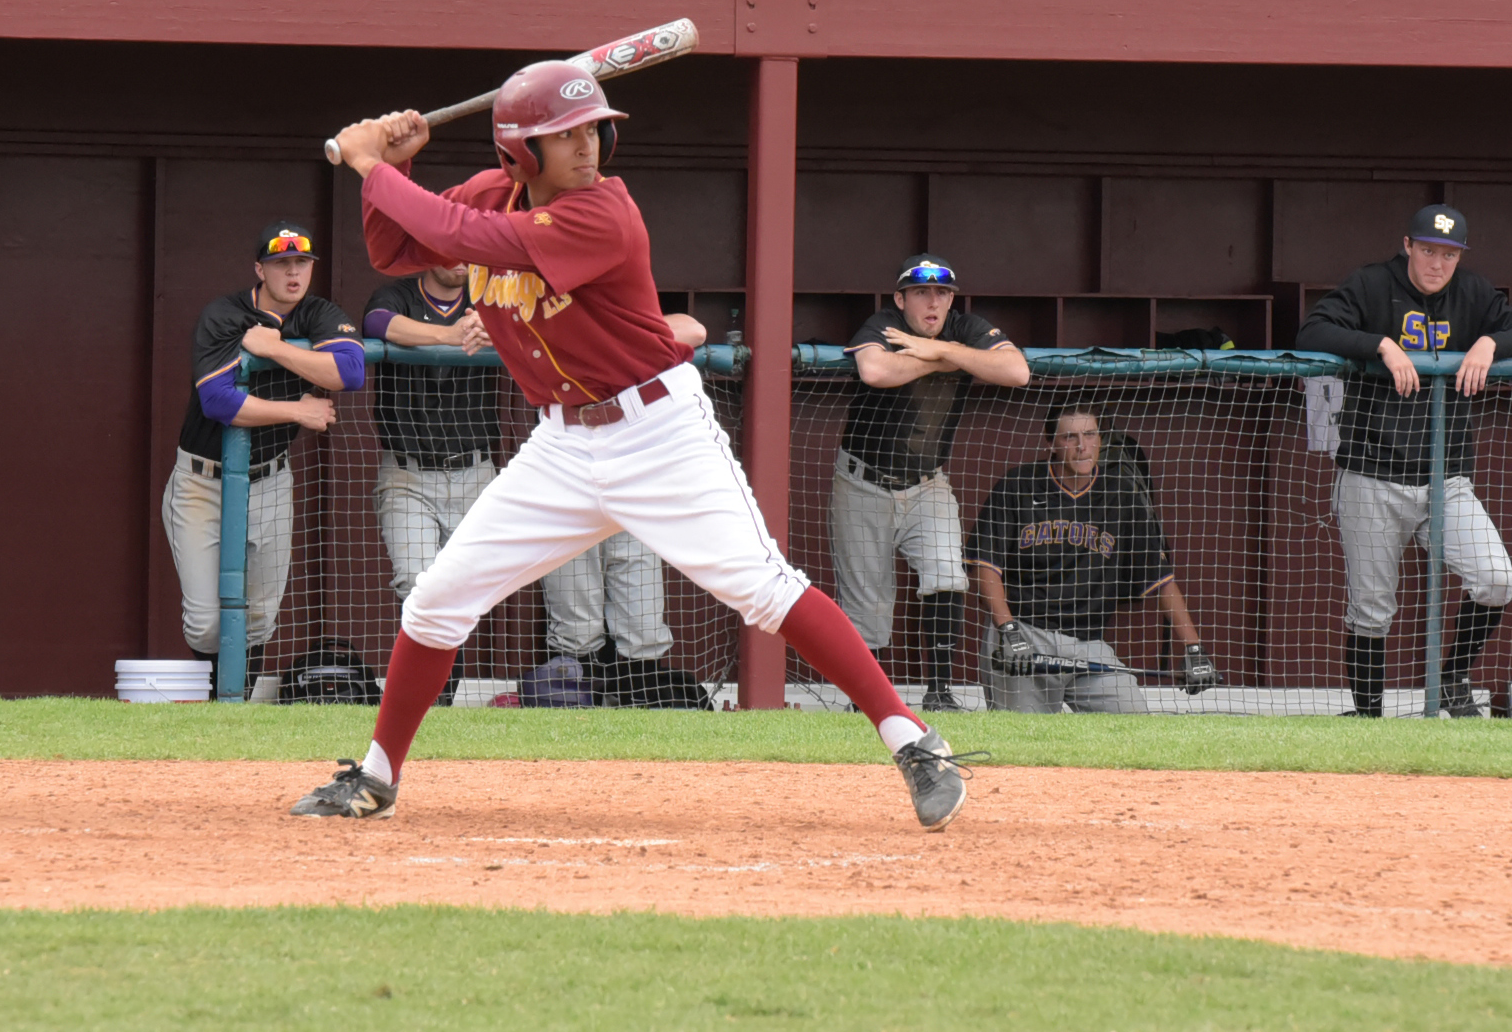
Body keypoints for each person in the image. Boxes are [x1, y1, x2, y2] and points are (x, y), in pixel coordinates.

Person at [290, 63, 978, 830]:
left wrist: (369, 164)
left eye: (593, 129)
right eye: (565, 135)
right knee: (436, 603)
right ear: (522, 151)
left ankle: (915, 740)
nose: (587, 146)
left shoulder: (604, 212)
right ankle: (378, 777)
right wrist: (397, 165)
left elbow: (463, 236)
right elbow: (396, 250)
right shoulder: (490, 192)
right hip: (560, 444)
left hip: (657, 433)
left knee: (765, 589)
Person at [1295, 204, 1512, 717]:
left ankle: (1452, 678)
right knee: (1372, 609)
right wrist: (1381, 346)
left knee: (1497, 577)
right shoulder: (1372, 285)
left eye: (1449, 254)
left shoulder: (1476, 295)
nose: (1438, 263)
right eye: (1429, 250)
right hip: (1372, 472)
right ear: (1409, 246)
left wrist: (1489, 343)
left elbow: (1508, 328)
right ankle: (1370, 717)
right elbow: (1312, 334)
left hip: (1445, 476)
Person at [162, 222, 365, 689]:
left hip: (271, 478)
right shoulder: (224, 313)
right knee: (206, 622)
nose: (293, 273)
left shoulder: (317, 313)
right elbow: (218, 401)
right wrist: (297, 409)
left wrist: (276, 348)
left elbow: (350, 373)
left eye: (302, 263)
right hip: (201, 480)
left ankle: (234, 717)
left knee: (258, 618)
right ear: (260, 270)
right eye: (281, 264)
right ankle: (221, 702)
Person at [834, 255, 1030, 712]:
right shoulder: (883, 323)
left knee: (947, 576)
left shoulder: (963, 328)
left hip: (928, 484)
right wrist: (951, 363)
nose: (933, 302)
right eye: (921, 292)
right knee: (868, 610)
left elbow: (1017, 371)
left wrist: (942, 351)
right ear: (901, 298)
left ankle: (939, 693)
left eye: (942, 293)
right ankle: (867, 702)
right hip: (862, 481)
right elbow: (876, 371)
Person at [965, 403, 1220, 712]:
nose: (1082, 446)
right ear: (1052, 444)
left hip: (1089, 643)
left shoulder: (1122, 495)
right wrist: (1008, 630)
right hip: (1025, 634)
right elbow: (984, 567)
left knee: (1133, 723)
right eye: (1070, 437)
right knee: (1022, 738)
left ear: (1101, 439)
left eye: (1090, 434)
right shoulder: (1018, 485)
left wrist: (1193, 648)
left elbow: (1161, 578)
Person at [538, 313, 707, 698]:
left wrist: (608, 331)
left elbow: (695, 330)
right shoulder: (551, 317)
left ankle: (638, 709)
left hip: (634, 483)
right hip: (571, 479)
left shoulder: (625, 315)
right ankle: (580, 706)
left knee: (644, 624)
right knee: (576, 628)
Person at [364, 264, 496, 703]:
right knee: (416, 586)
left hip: (475, 471)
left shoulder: (489, 297)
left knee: (461, 593)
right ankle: (428, 702)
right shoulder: (399, 295)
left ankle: (439, 700)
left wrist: (494, 330)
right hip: (409, 472)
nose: (457, 259)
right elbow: (376, 323)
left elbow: (533, 330)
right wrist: (452, 333)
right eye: (447, 247)